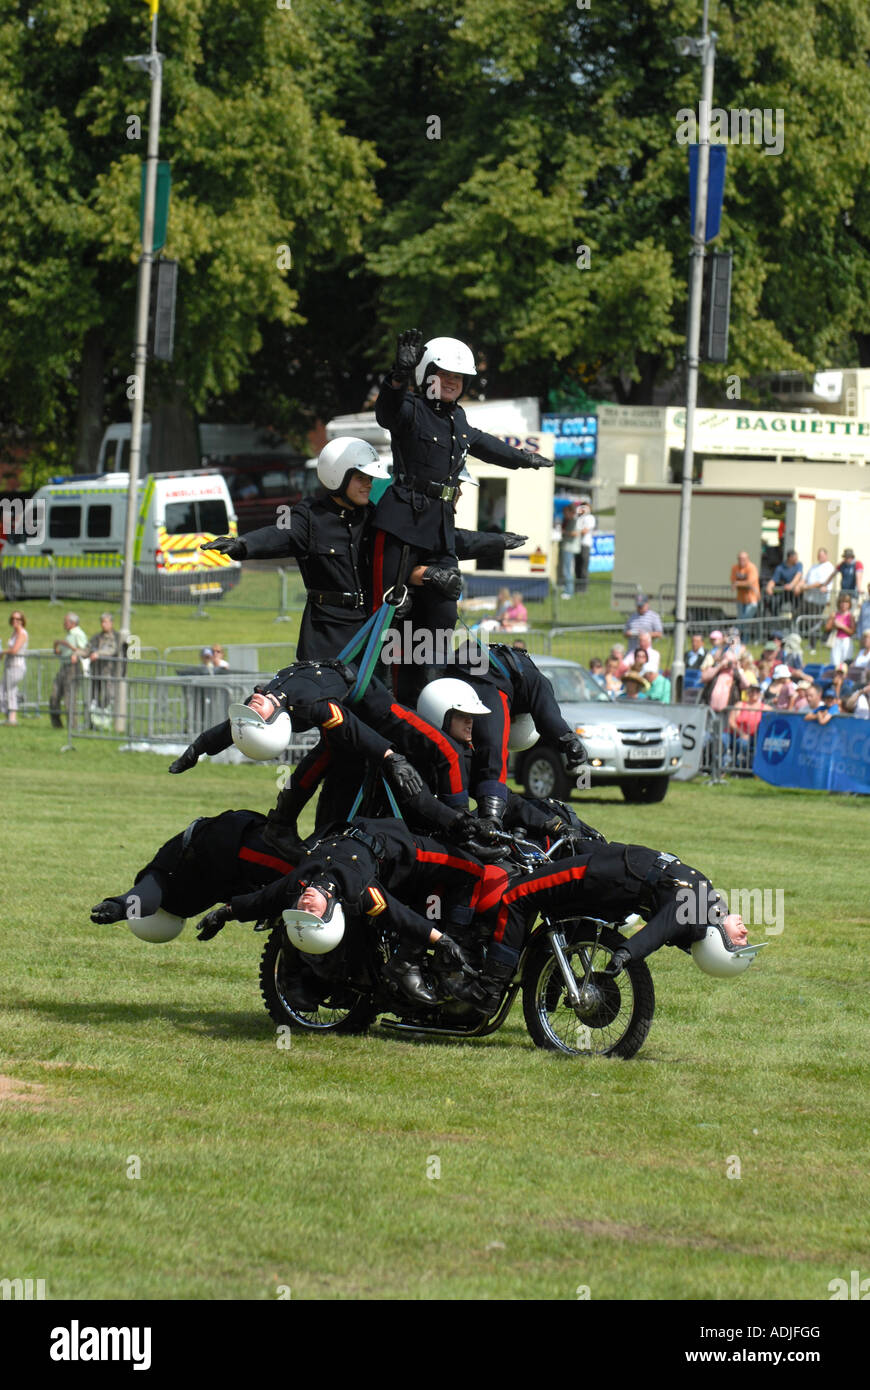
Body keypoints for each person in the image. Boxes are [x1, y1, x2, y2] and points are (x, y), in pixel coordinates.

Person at [372, 330, 551, 643]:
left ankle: (434, 677)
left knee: (445, 612)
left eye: (459, 377)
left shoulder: (458, 417)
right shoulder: (411, 408)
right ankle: (385, 684)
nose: (453, 381)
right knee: (392, 607)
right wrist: (398, 376)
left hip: (440, 525)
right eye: (444, 374)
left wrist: (525, 458)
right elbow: (387, 411)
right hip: (405, 520)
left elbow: (485, 443)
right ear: (426, 374)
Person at [49, 612, 89, 729]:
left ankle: (73, 727)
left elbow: (85, 650)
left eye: (66, 621)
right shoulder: (68, 635)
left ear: (73, 623)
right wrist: (56, 647)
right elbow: (61, 653)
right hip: (64, 666)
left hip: (73, 668)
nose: (64, 624)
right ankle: (57, 725)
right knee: (54, 696)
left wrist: (74, 652)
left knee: (69, 698)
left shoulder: (78, 634)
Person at [87, 613, 123, 707]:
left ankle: (109, 717)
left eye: (106, 622)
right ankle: (94, 719)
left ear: (111, 623)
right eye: (102, 622)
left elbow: (113, 650)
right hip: (96, 672)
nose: (103, 624)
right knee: (93, 698)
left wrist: (98, 654)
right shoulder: (97, 637)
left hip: (110, 673)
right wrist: (75, 653)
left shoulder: (117, 637)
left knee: (109, 697)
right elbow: (87, 649)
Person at [0, 609, 28, 725]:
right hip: (9, 665)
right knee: (4, 690)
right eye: (13, 619)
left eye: (17, 619)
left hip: (17, 666)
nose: (15, 621)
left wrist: (2, 652)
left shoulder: (22, 633)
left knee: (10, 690)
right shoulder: (14, 633)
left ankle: (12, 718)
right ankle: (8, 716)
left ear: (22, 621)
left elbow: (15, 650)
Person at [730, 550, 760, 632]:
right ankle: (738, 639)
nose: (741, 561)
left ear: (748, 559)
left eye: (743, 559)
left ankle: (742, 639)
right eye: (739, 559)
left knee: (745, 620)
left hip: (752, 599)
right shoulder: (735, 568)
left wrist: (737, 583)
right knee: (741, 619)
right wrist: (738, 583)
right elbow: (733, 581)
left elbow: (749, 582)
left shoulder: (752, 568)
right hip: (740, 599)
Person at [824, 594, 856, 667]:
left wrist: (842, 626)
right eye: (842, 602)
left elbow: (852, 631)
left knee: (846, 661)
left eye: (846, 602)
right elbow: (827, 627)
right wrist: (834, 625)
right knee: (835, 661)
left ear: (849, 604)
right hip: (836, 639)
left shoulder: (850, 616)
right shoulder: (834, 614)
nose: (844, 605)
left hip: (846, 640)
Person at [559, 501, 580, 598]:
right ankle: (567, 588)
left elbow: (575, 533)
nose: (564, 514)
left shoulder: (575, 521)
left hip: (569, 548)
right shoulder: (570, 520)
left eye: (566, 512)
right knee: (566, 569)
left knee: (567, 570)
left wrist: (564, 532)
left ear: (570, 512)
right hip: (567, 547)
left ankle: (569, 591)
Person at [575, 497, 596, 594]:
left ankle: (583, 589)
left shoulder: (590, 518)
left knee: (583, 568)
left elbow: (585, 531)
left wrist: (575, 532)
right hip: (577, 545)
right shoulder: (579, 518)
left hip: (585, 544)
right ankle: (577, 587)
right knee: (577, 567)